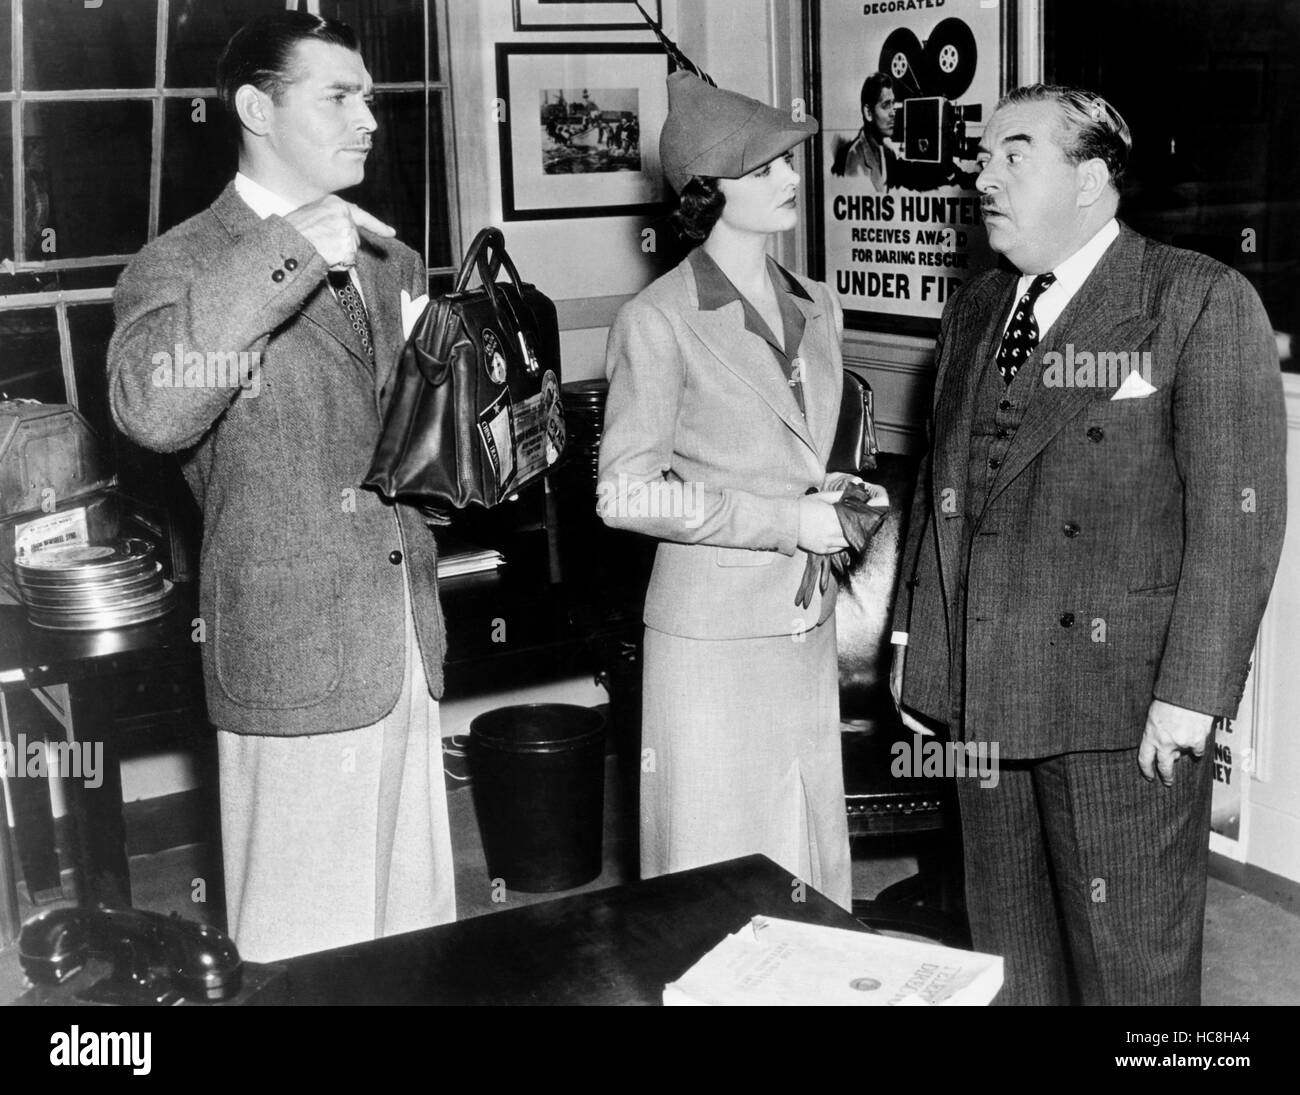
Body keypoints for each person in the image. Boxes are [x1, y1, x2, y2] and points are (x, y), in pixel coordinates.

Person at [890, 84, 1287, 1004]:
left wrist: (1190, 698)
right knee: (1013, 961)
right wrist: (924, 657)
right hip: (986, 695)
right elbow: (941, 497)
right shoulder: (976, 310)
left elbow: (1240, 518)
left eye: (1012, 156)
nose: (980, 176)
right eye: (982, 158)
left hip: (1122, 711)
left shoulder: (1194, 300)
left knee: (1130, 974)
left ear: (1092, 180)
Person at [107, 11, 454, 962]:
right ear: (257, 106)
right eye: (338, 96)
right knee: (307, 953)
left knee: (418, 945)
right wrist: (292, 249)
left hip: (404, 639)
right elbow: (152, 410)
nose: (370, 118)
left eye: (371, 97)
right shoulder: (176, 263)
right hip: (290, 658)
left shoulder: (391, 262)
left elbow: (405, 458)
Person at [597, 71, 887, 910]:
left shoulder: (818, 304)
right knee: (717, 865)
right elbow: (626, 495)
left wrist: (833, 493)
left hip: (805, 622)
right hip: (712, 636)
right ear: (706, 191)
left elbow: (798, 447)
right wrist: (785, 519)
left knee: (810, 853)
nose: (791, 179)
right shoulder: (657, 319)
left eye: (788, 163)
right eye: (763, 170)